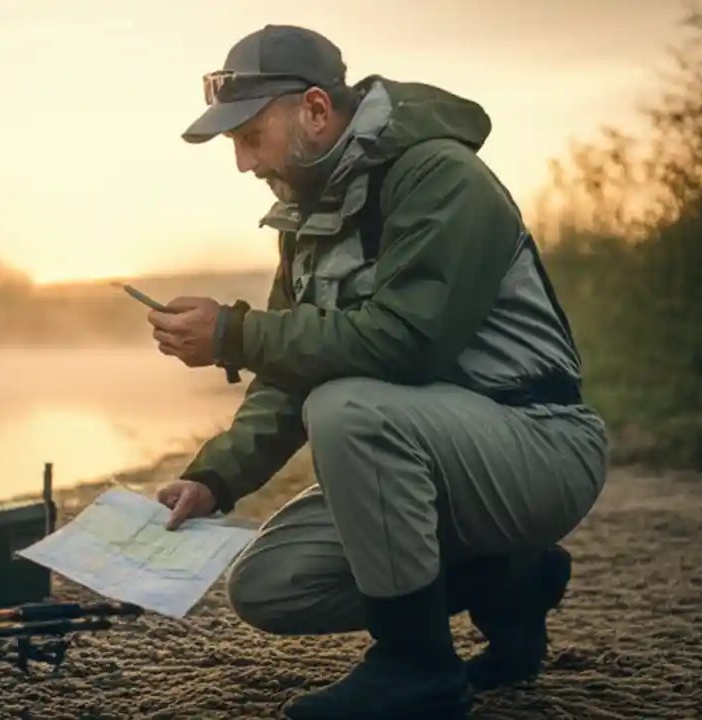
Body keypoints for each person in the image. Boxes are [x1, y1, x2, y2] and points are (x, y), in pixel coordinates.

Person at [148, 24, 609, 720]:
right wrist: (213, 479)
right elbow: (290, 367)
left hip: (539, 445)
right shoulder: (308, 216)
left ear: (313, 110)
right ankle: (507, 578)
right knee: (269, 586)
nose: (243, 163)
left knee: (346, 407)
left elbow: (404, 344)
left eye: (248, 136)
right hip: (432, 459)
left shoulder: (441, 178)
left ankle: (417, 668)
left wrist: (231, 333)